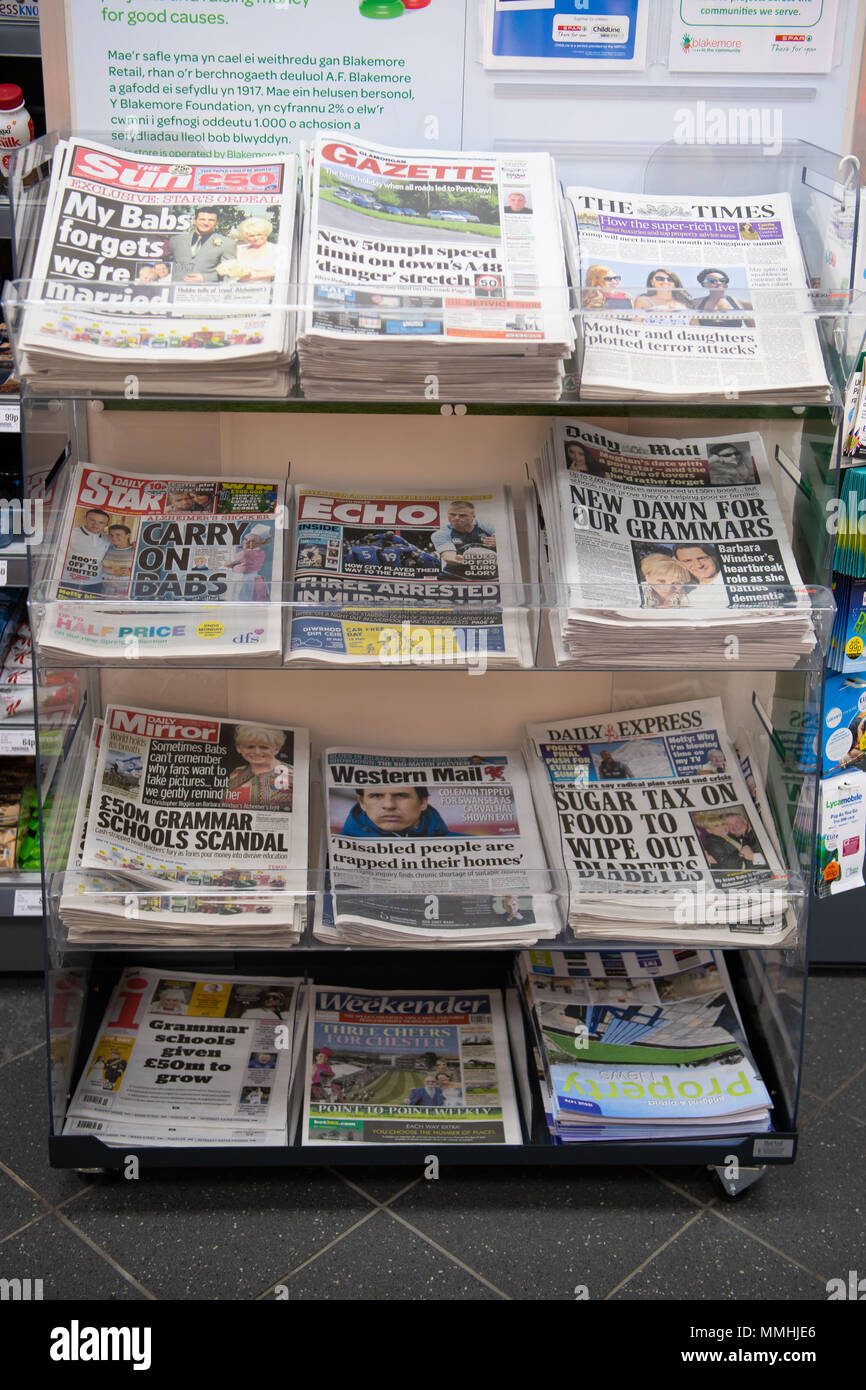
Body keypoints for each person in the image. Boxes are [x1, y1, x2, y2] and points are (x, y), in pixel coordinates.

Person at [341, 784, 457, 838]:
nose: (389, 805)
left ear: (423, 802)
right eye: (376, 796)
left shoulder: (462, 843)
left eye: (400, 795)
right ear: (362, 802)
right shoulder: (334, 848)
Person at [226, 724, 292, 811]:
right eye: (250, 747)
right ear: (239, 748)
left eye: (264, 747)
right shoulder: (237, 771)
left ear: (276, 749)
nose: (257, 752)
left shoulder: (290, 774)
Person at [161, 207, 236, 284]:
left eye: (211, 220)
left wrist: (206, 278)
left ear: (217, 223)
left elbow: (231, 272)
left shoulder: (227, 243)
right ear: (195, 221)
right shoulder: (176, 240)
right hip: (176, 288)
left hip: (205, 289)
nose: (206, 223)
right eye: (202, 219)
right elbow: (163, 263)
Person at [431, 500, 496, 575]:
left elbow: (502, 538)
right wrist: (463, 559)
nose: (456, 518)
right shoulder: (441, 534)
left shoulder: (487, 526)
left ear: (473, 517)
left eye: (462, 515)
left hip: (489, 574)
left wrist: (499, 542)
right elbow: (448, 556)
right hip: (455, 576)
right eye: (452, 514)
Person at [218, 217, 281, 283]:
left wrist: (252, 275)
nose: (256, 238)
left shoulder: (276, 249)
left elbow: (280, 271)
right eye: (251, 236)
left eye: (259, 234)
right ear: (246, 237)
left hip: (264, 287)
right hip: (238, 287)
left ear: (266, 233)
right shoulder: (240, 249)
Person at [61, 508, 111, 589]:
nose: (95, 525)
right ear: (85, 518)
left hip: (94, 583)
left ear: (106, 524)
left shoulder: (108, 539)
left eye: (101, 522)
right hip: (67, 581)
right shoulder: (70, 533)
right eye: (92, 520)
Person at [701, 810, 766, 869]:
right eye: (729, 825)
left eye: (736, 822)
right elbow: (725, 860)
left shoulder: (758, 834)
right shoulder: (731, 838)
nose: (734, 826)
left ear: (745, 821)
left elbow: (769, 857)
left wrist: (753, 856)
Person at [224, 523, 272, 601]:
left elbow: (227, 564)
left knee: (238, 598)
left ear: (256, 543)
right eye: (246, 539)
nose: (245, 542)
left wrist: (233, 565)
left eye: (250, 541)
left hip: (241, 579)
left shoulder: (243, 553)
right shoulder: (261, 552)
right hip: (255, 579)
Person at [99, 523, 135, 598]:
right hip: (105, 588)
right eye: (111, 535)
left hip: (124, 589)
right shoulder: (107, 548)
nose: (114, 538)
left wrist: (131, 573)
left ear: (128, 535)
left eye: (118, 535)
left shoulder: (135, 551)